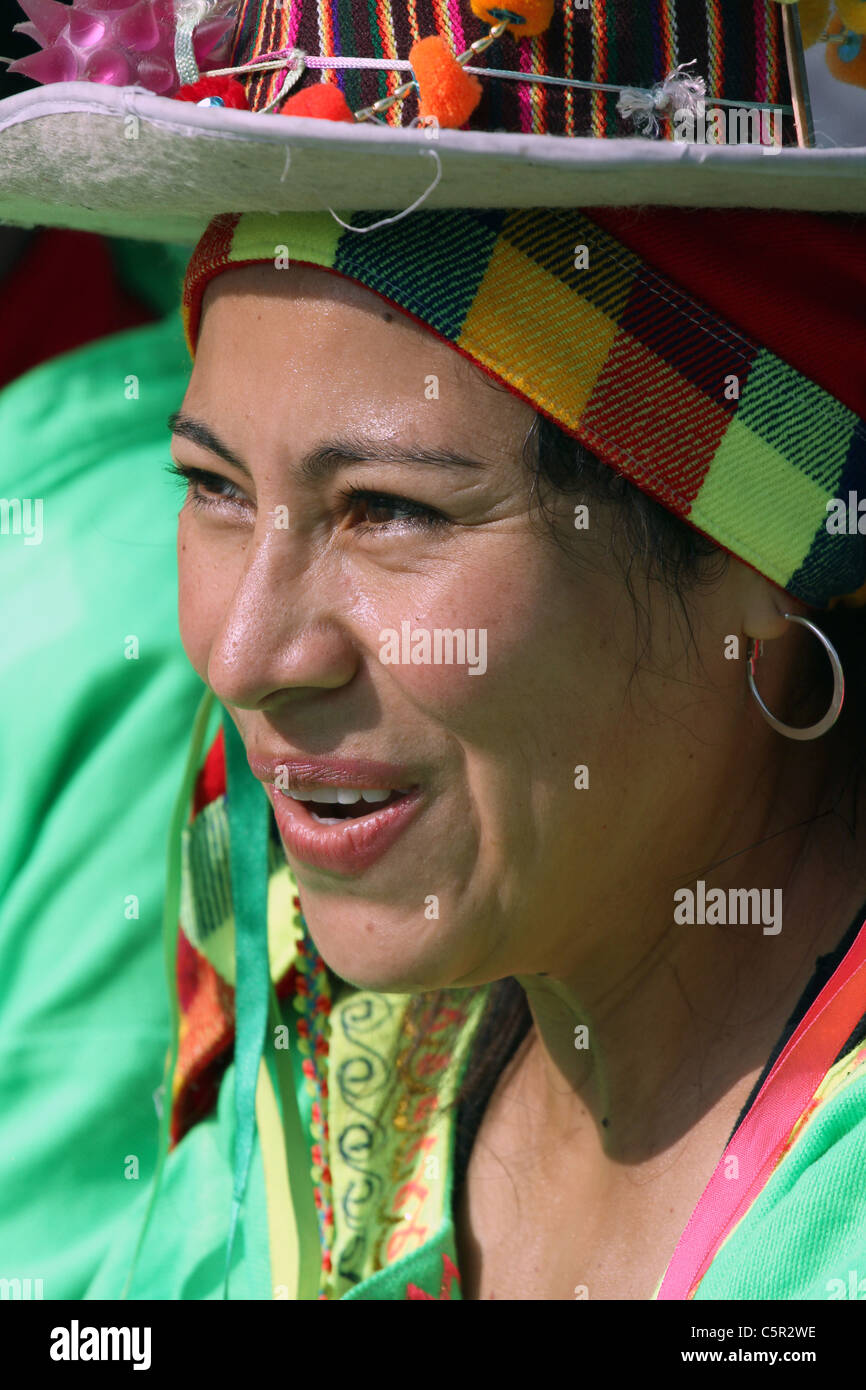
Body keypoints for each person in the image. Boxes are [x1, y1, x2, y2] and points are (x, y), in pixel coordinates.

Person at [1, 0, 864, 1301]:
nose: (243, 652)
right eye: (214, 487)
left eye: (388, 511)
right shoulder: (338, 1044)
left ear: (757, 553)